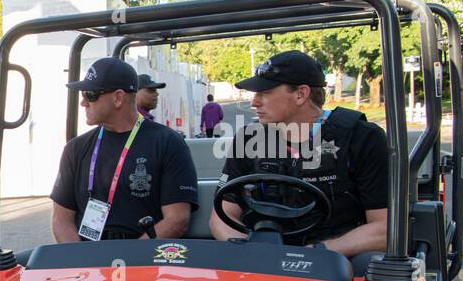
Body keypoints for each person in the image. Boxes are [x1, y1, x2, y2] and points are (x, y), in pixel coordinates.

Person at [208, 51, 388, 254]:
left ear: (301, 94)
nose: (254, 102)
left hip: (339, 259)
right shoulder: (249, 139)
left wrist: (316, 252)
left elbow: (384, 229)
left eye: (264, 92)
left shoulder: (362, 137)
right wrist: (254, 253)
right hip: (264, 255)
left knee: (372, 267)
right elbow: (221, 218)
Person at [51, 58, 199, 243]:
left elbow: (177, 219)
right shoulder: (75, 148)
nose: (83, 103)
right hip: (87, 256)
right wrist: (80, 260)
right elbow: (61, 219)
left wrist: (129, 256)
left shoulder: (168, 143)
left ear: (118, 98)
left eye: (90, 94)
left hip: (144, 256)